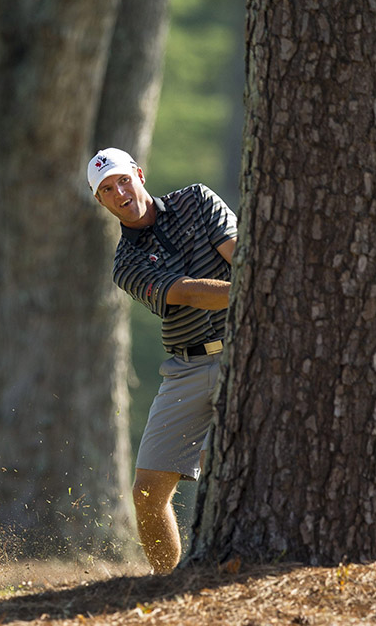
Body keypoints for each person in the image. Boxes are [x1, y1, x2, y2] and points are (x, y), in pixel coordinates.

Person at [86, 147, 236, 574]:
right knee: (147, 494)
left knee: (218, 463)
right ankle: (168, 586)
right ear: (101, 203)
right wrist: (258, 287)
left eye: (122, 180)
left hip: (240, 354)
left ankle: (228, 574)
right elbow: (186, 292)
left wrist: (257, 279)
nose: (119, 192)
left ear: (139, 173)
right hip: (185, 368)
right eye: (107, 190)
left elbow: (237, 250)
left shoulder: (198, 199)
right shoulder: (126, 265)